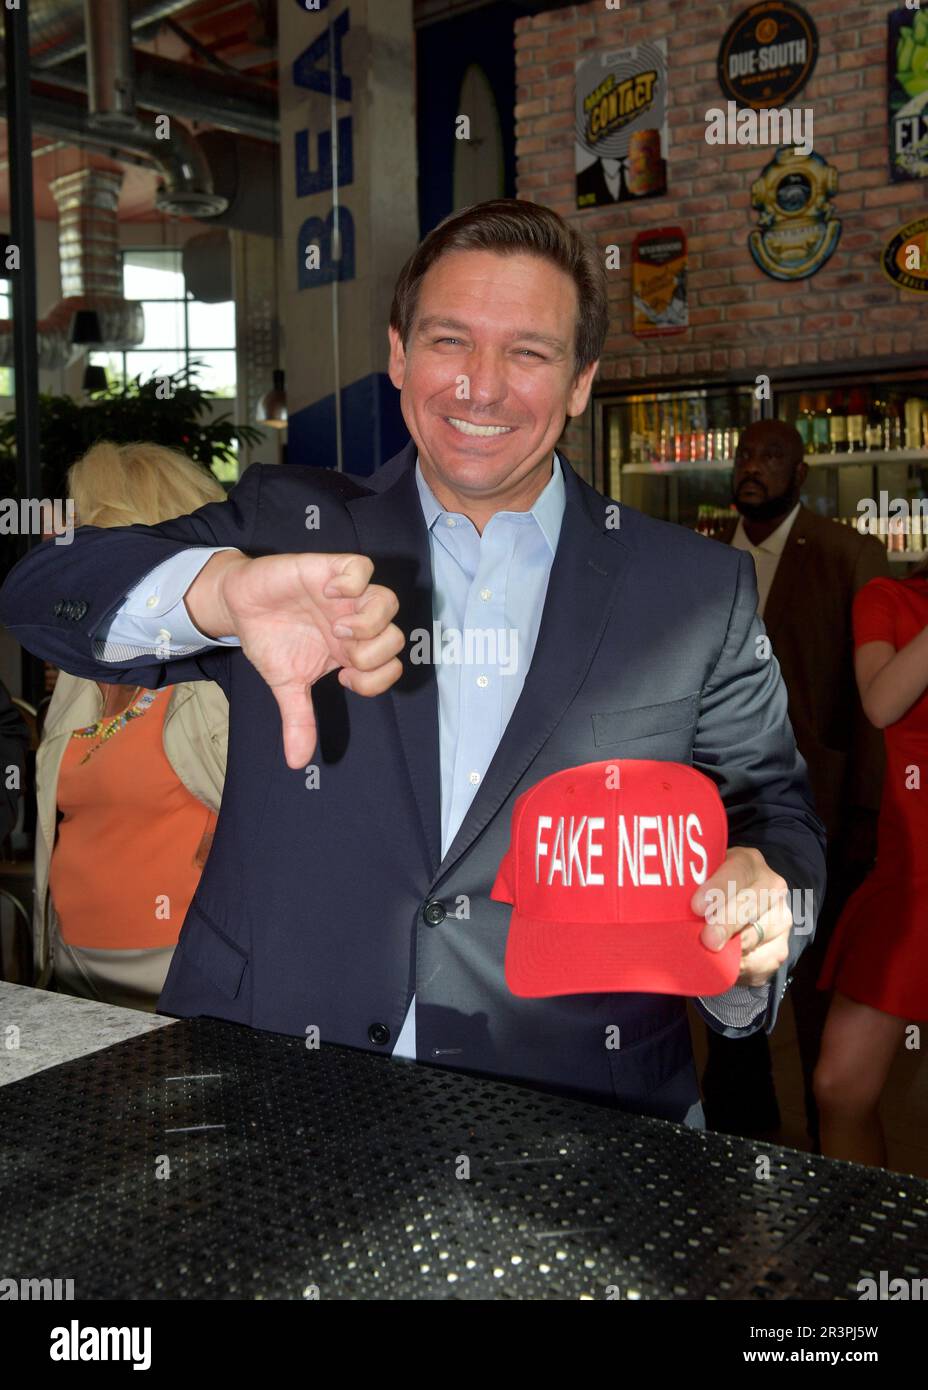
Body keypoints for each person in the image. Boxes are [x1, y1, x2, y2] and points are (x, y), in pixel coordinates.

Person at [0, 199, 826, 1124]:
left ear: (582, 379)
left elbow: (776, 815)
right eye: (449, 341)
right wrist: (221, 593)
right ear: (398, 354)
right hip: (268, 1085)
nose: (480, 386)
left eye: (528, 352)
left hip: (575, 1111)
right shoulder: (286, 526)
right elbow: (42, 593)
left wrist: (763, 892)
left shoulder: (694, 591)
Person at [702, 420, 889, 1145]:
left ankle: (823, 1163)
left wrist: (868, 817)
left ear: (801, 471)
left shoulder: (848, 555)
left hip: (828, 818)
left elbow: (873, 710)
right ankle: (740, 1152)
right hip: (717, 822)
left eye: (771, 456)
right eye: (746, 454)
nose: (754, 467)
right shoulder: (702, 559)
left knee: (815, 1009)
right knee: (728, 999)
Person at [31, 442, 230, 1010]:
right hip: (72, 965)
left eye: (83, 533)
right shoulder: (80, 666)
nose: (63, 552)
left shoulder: (219, 671)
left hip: (182, 968)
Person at [814, 554, 928, 1165]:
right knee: (840, 1085)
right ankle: (865, 1244)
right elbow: (882, 702)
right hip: (912, 877)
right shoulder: (887, 597)